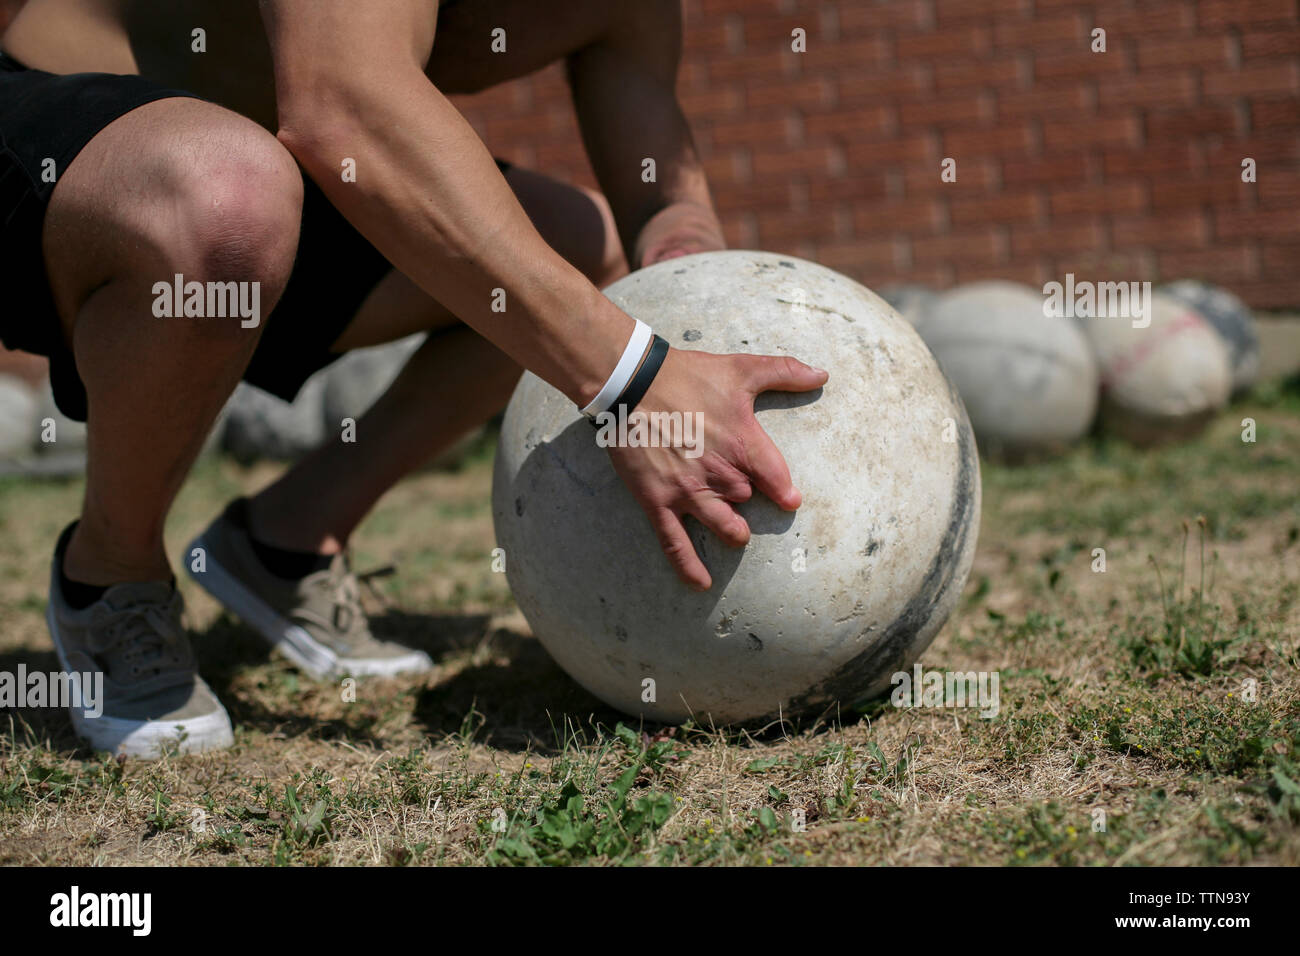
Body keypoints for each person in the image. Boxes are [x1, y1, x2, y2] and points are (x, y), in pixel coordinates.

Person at [0, 0, 827, 756]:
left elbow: (660, 199)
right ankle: (108, 575)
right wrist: (634, 383)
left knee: (581, 249)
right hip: (66, 157)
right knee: (227, 192)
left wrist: (697, 280)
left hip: (255, 184)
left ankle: (281, 545)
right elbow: (341, 105)